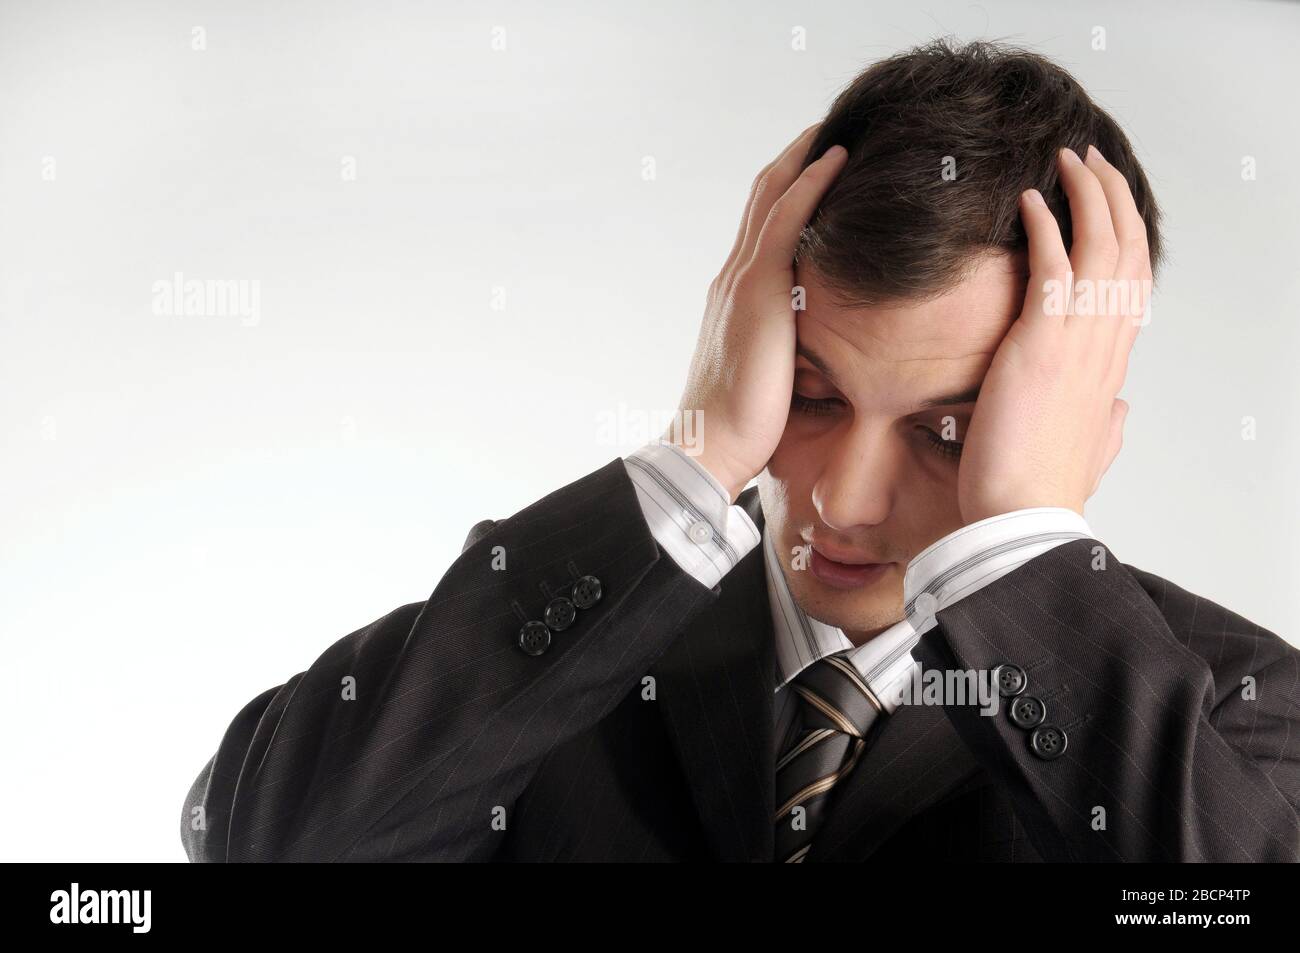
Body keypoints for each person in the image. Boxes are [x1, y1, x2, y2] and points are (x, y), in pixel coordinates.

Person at [181, 39, 1300, 863]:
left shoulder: (1239, 706)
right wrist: (699, 451)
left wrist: (1021, 548)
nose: (843, 499)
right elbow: (271, 844)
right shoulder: (572, 620)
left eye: (946, 433)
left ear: (1083, 430)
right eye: (810, 397)